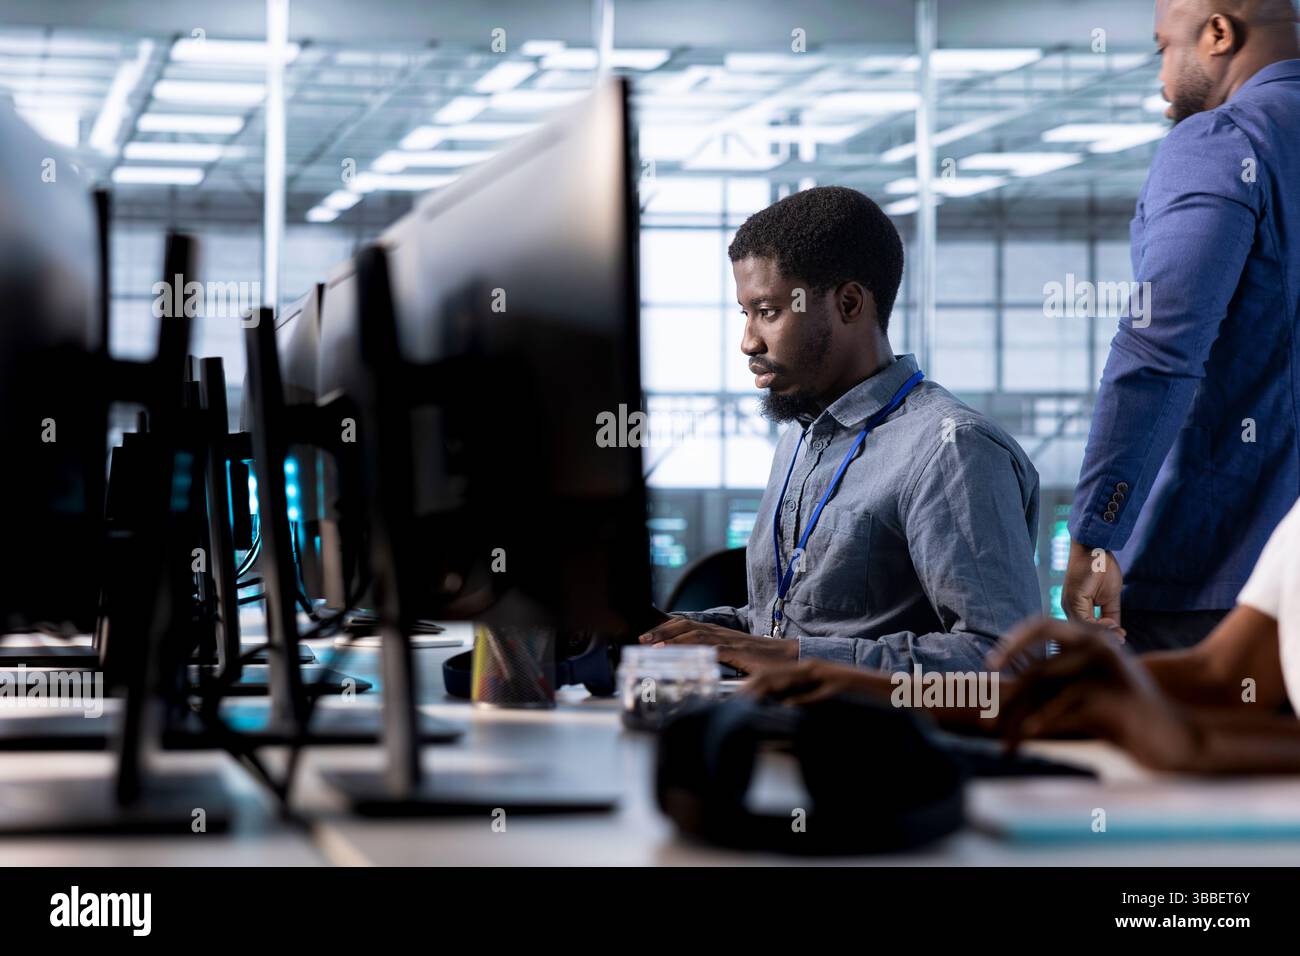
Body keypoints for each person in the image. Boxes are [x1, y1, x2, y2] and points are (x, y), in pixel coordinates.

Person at [638, 186, 1042, 675]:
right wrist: (653, 634)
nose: (748, 341)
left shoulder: (952, 450)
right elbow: (784, 631)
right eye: (745, 314)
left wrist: (790, 658)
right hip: (785, 727)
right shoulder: (801, 440)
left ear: (849, 304)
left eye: (768, 312)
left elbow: (1005, 665)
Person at [1062, 0, 1300, 650]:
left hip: (1214, 579)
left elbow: (1159, 351)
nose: (1160, 70)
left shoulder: (1224, 141)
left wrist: (1096, 536)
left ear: (1219, 33)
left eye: (1165, 46)